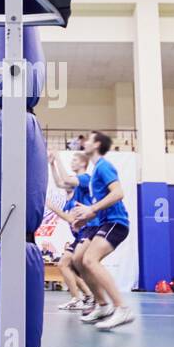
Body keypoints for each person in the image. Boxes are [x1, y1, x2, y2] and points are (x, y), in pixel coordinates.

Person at [68, 131, 132, 330]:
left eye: (88, 139)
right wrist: (85, 217)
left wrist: (92, 209)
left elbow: (118, 193)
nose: (84, 142)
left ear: (96, 145)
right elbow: (98, 204)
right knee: (79, 261)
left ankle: (122, 308)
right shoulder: (96, 171)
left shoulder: (104, 166)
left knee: (89, 260)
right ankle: (102, 305)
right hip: (105, 222)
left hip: (117, 222)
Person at [48, 150, 94, 311]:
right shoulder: (74, 193)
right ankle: (87, 296)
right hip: (80, 234)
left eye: (75, 160)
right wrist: (52, 163)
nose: (72, 162)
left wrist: (58, 156)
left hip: (89, 230)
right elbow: (61, 183)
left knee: (69, 264)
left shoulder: (85, 179)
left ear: (82, 163)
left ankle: (82, 297)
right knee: (66, 265)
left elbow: (66, 179)